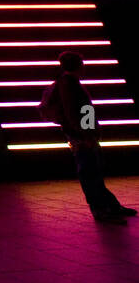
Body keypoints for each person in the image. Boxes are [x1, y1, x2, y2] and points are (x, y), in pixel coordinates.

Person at [46, 51, 136, 223]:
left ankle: (110, 207)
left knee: (92, 172)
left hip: (81, 135)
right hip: (82, 137)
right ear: (79, 65)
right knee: (90, 173)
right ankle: (102, 210)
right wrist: (87, 134)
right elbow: (76, 112)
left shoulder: (67, 82)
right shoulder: (69, 84)